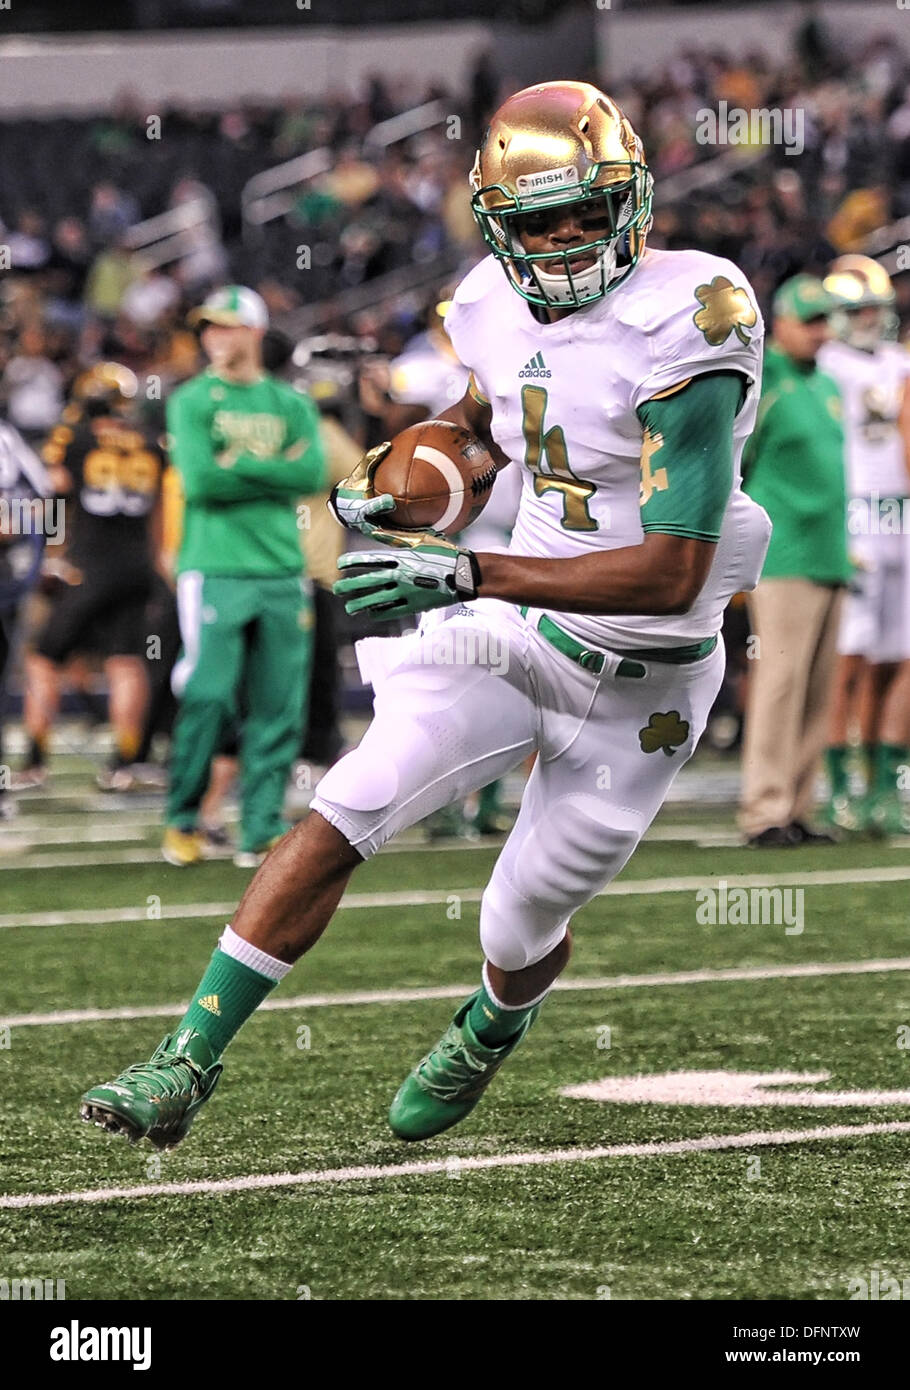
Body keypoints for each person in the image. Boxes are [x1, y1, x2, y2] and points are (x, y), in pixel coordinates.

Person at [81, 81, 771, 1151]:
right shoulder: (488, 302)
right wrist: (415, 470)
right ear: (499, 225)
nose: (567, 240)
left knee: (519, 917)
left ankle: (494, 1021)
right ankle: (182, 1058)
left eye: (589, 211)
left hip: (647, 675)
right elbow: (494, 418)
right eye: (540, 221)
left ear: (631, 199)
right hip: (515, 629)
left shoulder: (692, 315)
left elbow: (669, 573)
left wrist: (468, 572)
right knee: (354, 793)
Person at [160, 286, 327, 868]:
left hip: (283, 569)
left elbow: (312, 472)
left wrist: (244, 464)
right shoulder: (189, 400)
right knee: (206, 696)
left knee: (280, 706)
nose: (214, 337)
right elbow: (202, 482)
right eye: (207, 327)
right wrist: (273, 469)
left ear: (254, 332)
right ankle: (183, 818)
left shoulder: (291, 401)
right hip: (214, 568)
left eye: (226, 326)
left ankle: (259, 826)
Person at [740, 275, 850, 846]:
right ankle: (765, 810)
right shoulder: (768, 382)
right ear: (779, 324)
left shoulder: (826, 384)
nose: (821, 332)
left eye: (825, 321)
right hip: (781, 554)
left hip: (831, 552)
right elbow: (738, 462)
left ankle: (799, 805)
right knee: (780, 683)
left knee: (817, 690)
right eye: (811, 321)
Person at [21, 362, 164, 789]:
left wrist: (48, 552)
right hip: (138, 564)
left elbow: (52, 489)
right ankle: (125, 761)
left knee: (43, 658)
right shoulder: (153, 443)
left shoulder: (75, 437)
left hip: (90, 565)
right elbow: (159, 511)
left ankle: (32, 761)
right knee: (126, 662)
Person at [819, 256, 910, 835]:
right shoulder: (824, 364)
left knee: (896, 658)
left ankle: (886, 782)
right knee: (846, 661)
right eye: (856, 310)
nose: (868, 319)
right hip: (853, 519)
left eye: (874, 308)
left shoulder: (901, 363)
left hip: (901, 516)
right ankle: (836, 783)